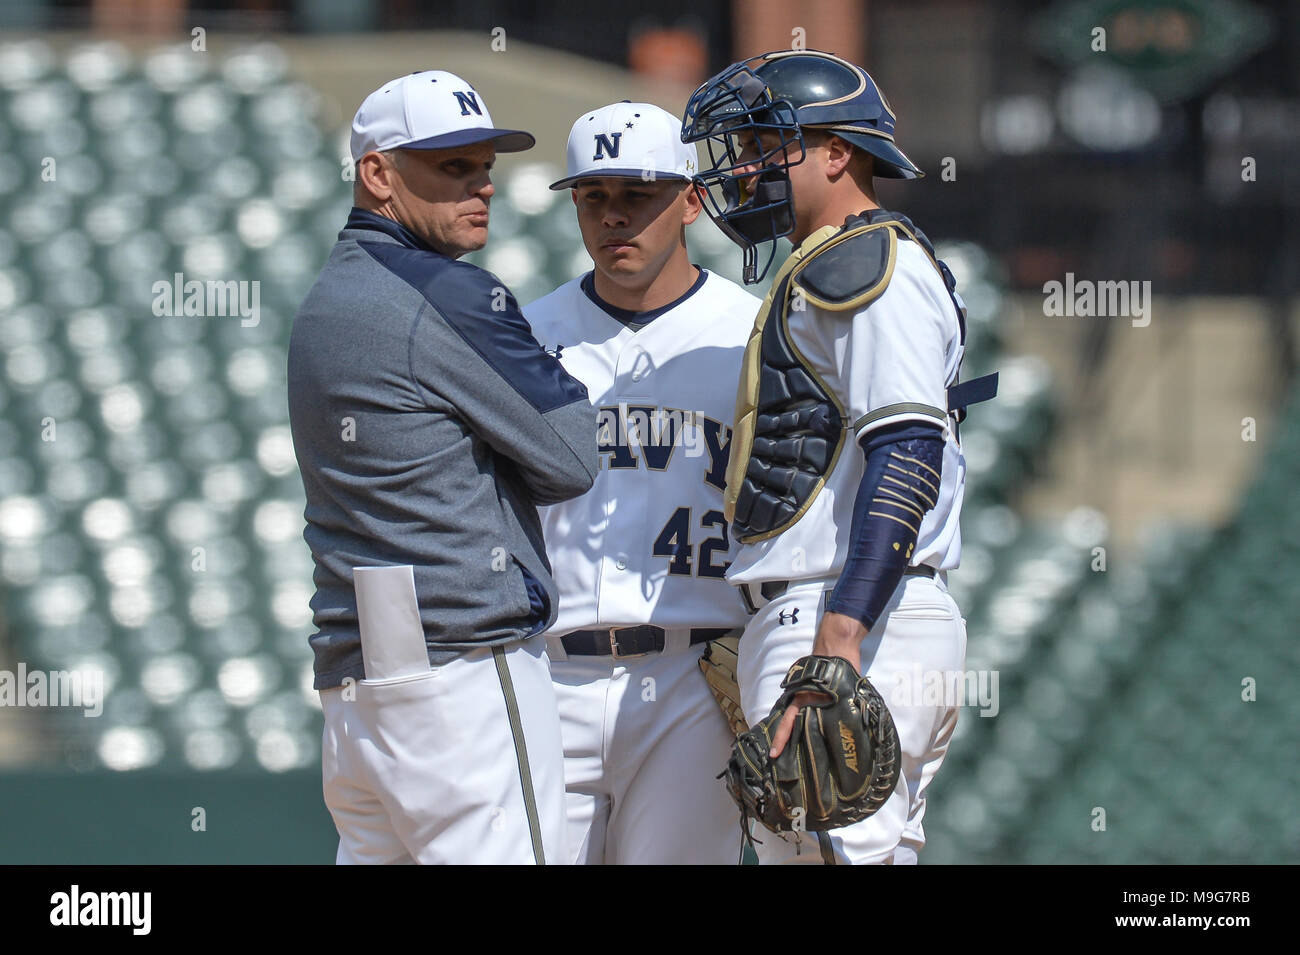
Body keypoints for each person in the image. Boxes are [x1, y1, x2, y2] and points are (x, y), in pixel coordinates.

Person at [681, 49, 997, 864]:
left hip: (852, 614)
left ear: (836, 152)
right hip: (846, 613)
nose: (747, 167)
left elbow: (908, 451)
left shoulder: (867, 266)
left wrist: (839, 635)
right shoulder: (833, 261)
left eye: (766, 144)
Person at [287, 70, 597, 864]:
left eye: (482, 164)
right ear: (378, 174)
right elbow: (572, 457)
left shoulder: (322, 301)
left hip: (360, 683)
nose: (481, 185)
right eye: (450, 168)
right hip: (464, 670)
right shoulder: (450, 293)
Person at [523, 101, 761, 864]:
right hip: (548, 673)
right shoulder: (525, 336)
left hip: (693, 678)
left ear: (691, 199)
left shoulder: (752, 332)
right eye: (594, 197)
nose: (614, 217)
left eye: (638, 194)